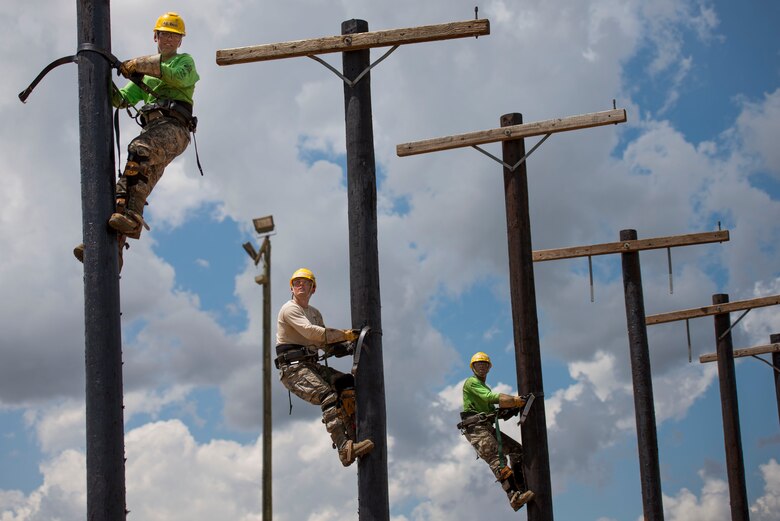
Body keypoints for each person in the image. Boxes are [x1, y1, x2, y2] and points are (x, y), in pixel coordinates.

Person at [74, 12, 199, 268]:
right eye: (164, 34)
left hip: (174, 128)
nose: (168, 39)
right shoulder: (145, 77)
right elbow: (121, 100)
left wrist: (138, 64)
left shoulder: (184, 62)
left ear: (180, 41)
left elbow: (175, 76)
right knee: (124, 188)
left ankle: (130, 217)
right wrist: (98, 69)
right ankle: (106, 249)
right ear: (155, 36)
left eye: (173, 36)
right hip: (155, 130)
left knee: (139, 148)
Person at [275, 268, 374, 467]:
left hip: (310, 366)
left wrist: (347, 346)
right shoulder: (289, 309)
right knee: (326, 395)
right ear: (291, 288)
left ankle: (354, 437)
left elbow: (325, 344)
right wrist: (346, 334)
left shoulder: (314, 314)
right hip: (293, 369)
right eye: (297, 282)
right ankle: (343, 447)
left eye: (305, 282)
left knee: (347, 384)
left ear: (313, 288)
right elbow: (313, 333)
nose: (301, 285)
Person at [459, 351, 535, 511]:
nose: (482, 367)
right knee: (497, 461)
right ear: (472, 367)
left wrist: (511, 408)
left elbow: (492, 411)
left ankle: (521, 487)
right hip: (476, 430)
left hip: (486, 427)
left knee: (517, 451)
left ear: (489, 368)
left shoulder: (481, 385)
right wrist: (514, 401)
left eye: (485, 365)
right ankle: (514, 497)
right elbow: (490, 398)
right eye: (478, 364)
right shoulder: (471, 383)